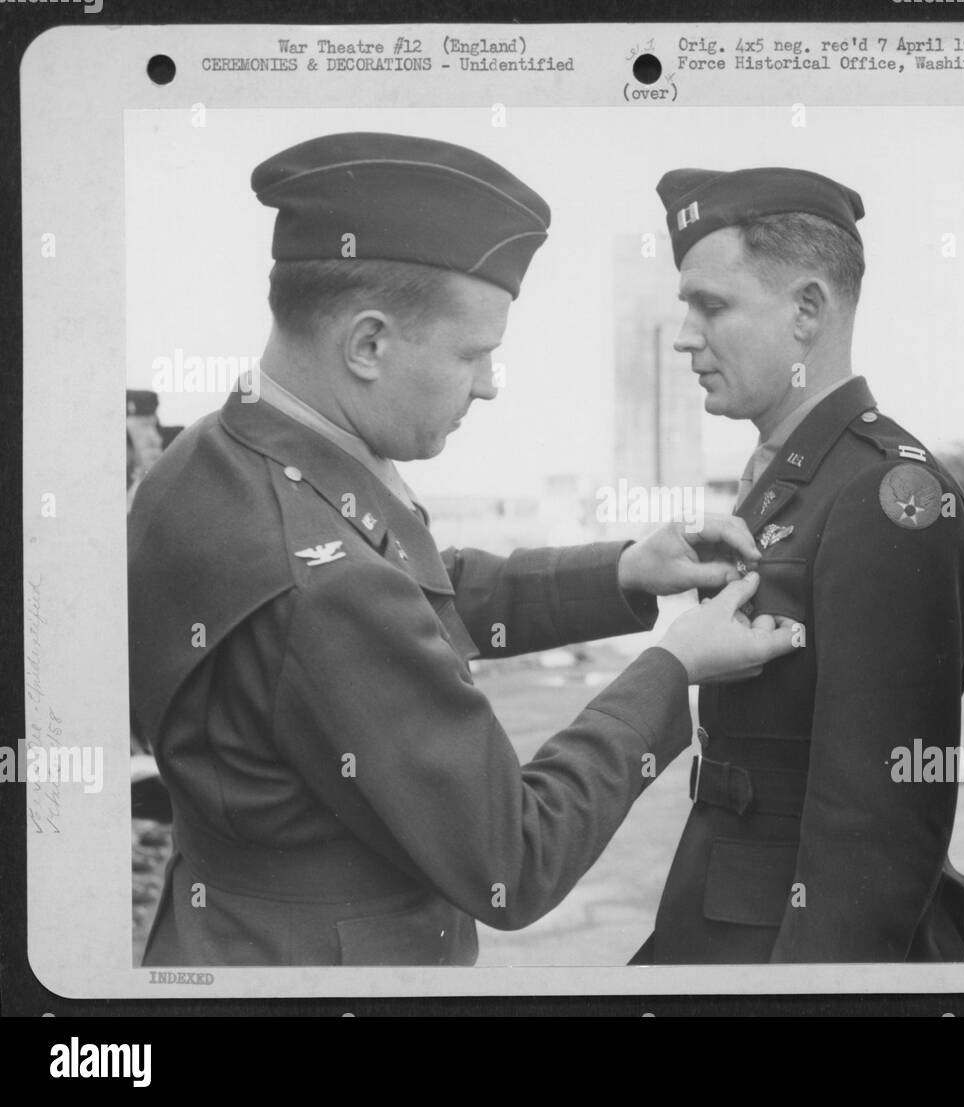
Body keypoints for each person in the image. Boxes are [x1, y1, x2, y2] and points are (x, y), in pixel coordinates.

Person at [128, 132, 796, 967]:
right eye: (474, 354)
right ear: (368, 344)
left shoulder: (203, 460)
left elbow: (405, 599)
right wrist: (670, 669)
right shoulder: (323, 582)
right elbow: (513, 859)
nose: (485, 384)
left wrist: (622, 571)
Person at [633, 166, 964, 963]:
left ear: (808, 311)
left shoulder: (883, 494)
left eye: (712, 305)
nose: (686, 336)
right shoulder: (797, 475)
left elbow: (874, 833)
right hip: (718, 920)